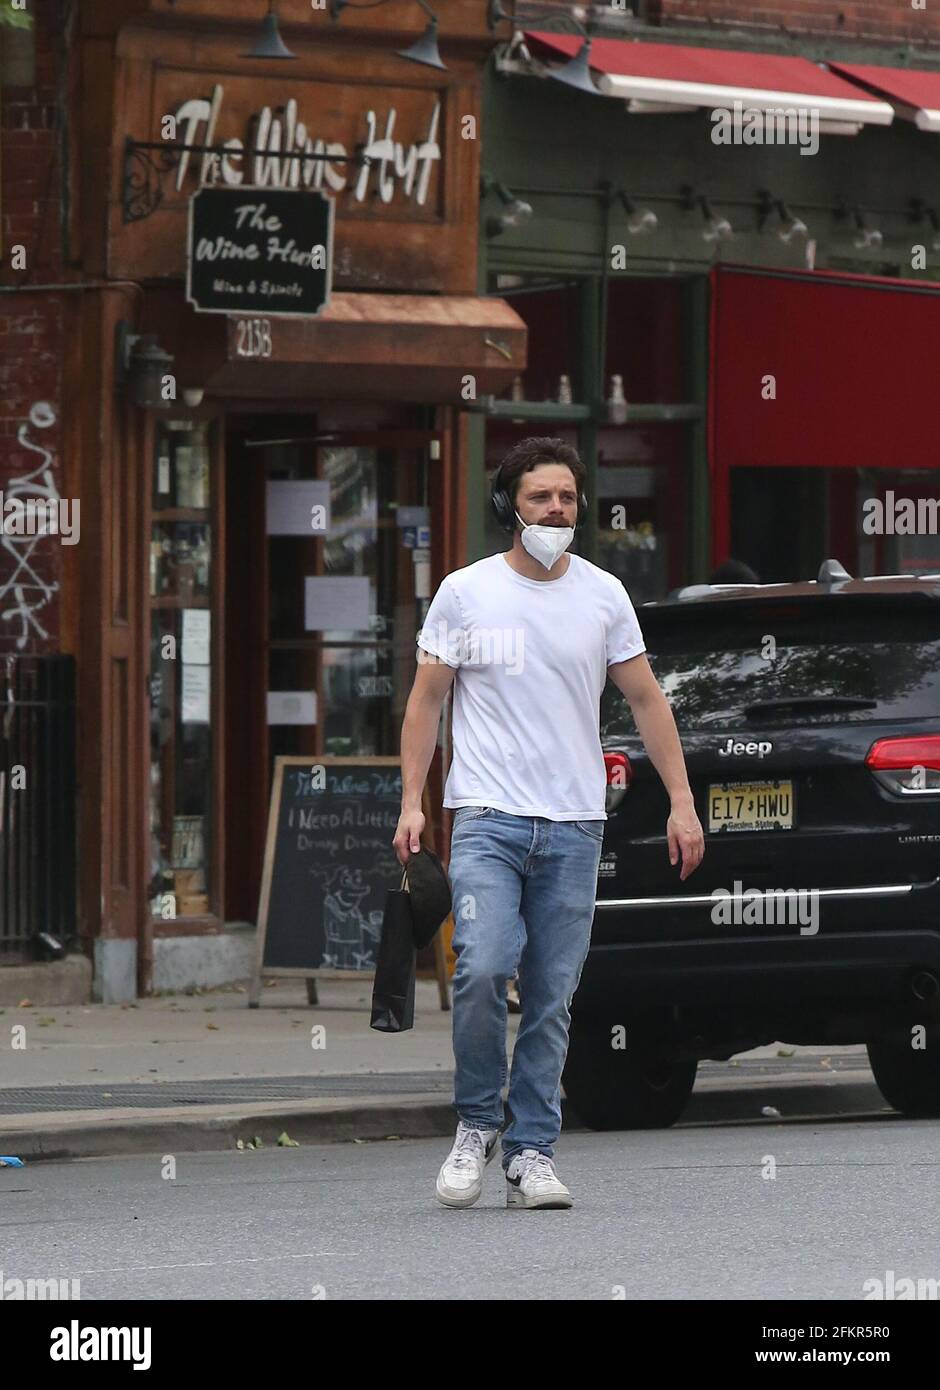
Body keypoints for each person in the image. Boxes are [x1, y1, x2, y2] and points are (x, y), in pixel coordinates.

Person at [392, 437, 704, 1211]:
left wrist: (682, 800)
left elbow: (645, 700)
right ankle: (474, 1126)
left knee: (553, 994)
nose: (556, 509)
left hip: (573, 825)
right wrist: (411, 802)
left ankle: (531, 1152)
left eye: (567, 497)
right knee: (483, 967)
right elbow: (427, 701)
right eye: (540, 497)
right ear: (509, 505)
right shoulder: (466, 593)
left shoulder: (603, 595)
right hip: (488, 820)